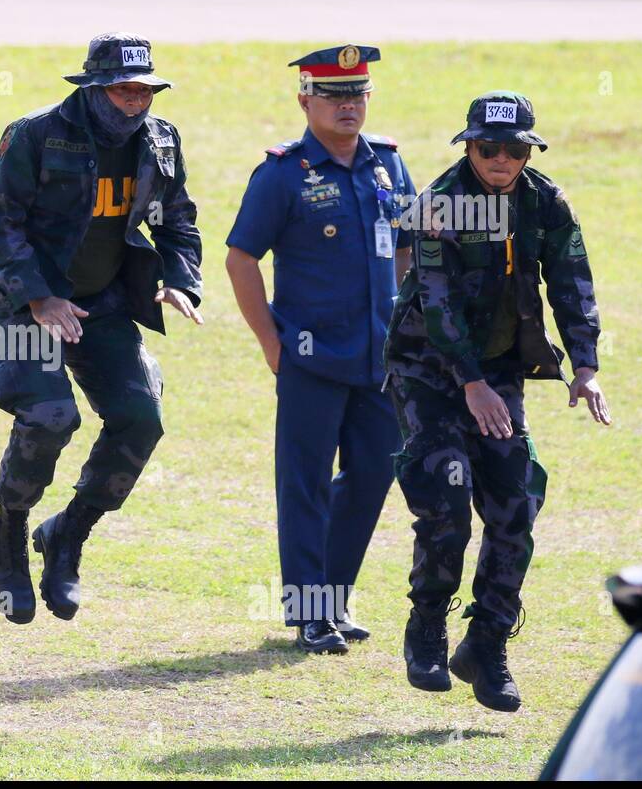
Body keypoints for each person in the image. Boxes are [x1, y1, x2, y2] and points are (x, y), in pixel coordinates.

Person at [385, 91, 609, 712]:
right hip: (428, 369)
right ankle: (427, 625)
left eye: (516, 149)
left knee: (517, 503)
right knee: (446, 497)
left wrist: (584, 366)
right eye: (490, 148)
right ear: (469, 146)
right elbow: (436, 302)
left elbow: (571, 280)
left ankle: (486, 639)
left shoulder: (545, 201)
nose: (503, 160)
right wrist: (470, 383)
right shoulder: (438, 206)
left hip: (499, 371)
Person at [0, 33, 203, 623]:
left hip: (99, 303)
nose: (135, 102)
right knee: (52, 416)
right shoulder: (34, 134)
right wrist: (40, 297)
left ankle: (68, 535)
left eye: (145, 91)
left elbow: (176, 218)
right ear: (94, 89)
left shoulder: (160, 140)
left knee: (140, 418)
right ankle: (10, 532)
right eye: (124, 91)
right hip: (23, 304)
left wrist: (179, 278)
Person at [226, 45, 414, 654]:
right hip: (310, 357)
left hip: (381, 359)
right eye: (334, 96)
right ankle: (309, 613)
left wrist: (408, 325)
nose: (348, 107)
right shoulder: (282, 173)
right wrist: (270, 341)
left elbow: (407, 245)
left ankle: (332, 599)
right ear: (305, 98)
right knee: (304, 483)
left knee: (371, 477)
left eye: (357, 94)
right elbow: (240, 258)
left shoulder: (388, 164)